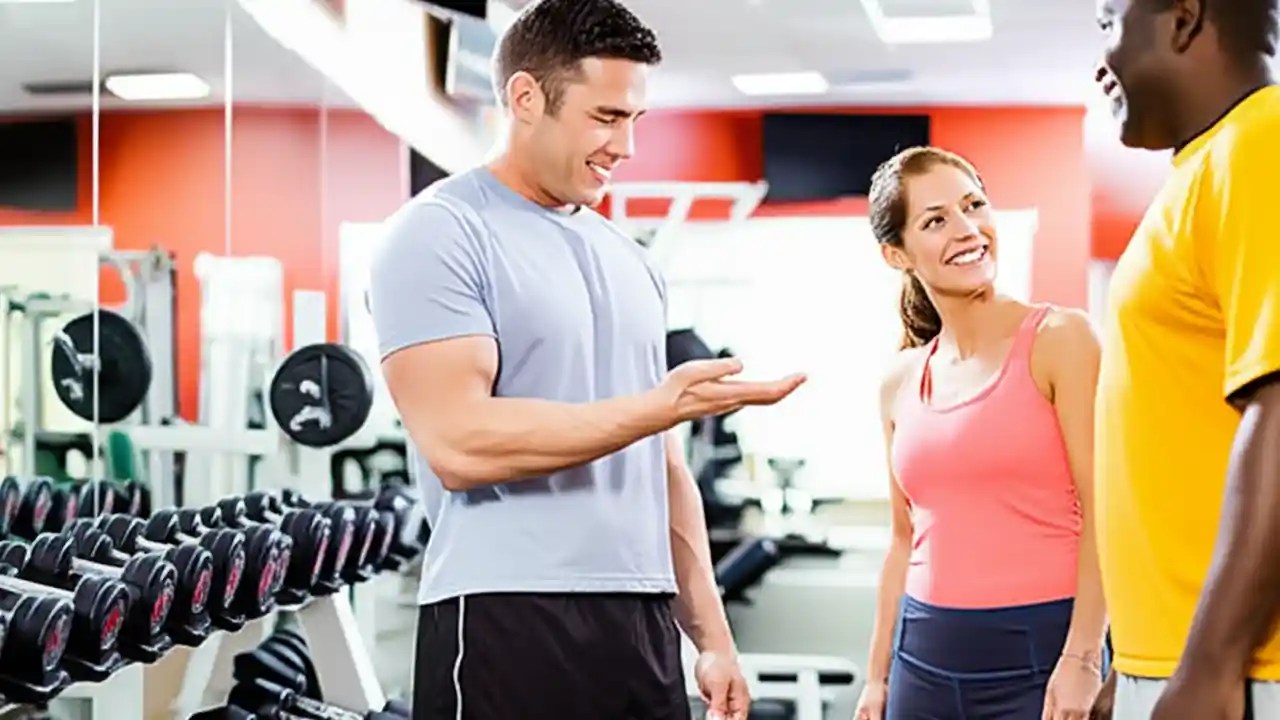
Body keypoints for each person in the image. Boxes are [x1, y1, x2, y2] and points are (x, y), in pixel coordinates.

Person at [367, 1, 805, 718]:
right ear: (525, 98)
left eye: (635, 119)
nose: (626, 146)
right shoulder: (439, 234)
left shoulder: (630, 261)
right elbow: (459, 443)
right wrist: (657, 407)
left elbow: (661, 469)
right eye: (606, 117)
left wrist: (713, 636)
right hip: (504, 609)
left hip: (639, 616)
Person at [852, 146, 1108, 720]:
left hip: (1042, 651)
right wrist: (877, 677)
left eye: (975, 206)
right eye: (935, 220)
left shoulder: (1061, 339)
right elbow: (902, 541)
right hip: (922, 653)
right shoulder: (900, 379)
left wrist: (1084, 658)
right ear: (896, 253)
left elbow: (1105, 509)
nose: (968, 230)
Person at [1093, 0, 1280, 717]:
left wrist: (1211, 661)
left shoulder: (1259, 143)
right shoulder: (1201, 171)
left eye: (1109, 24)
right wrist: (1138, 659)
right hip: (1177, 657)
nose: (1100, 61)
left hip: (1244, 671)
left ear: (1183, 19)